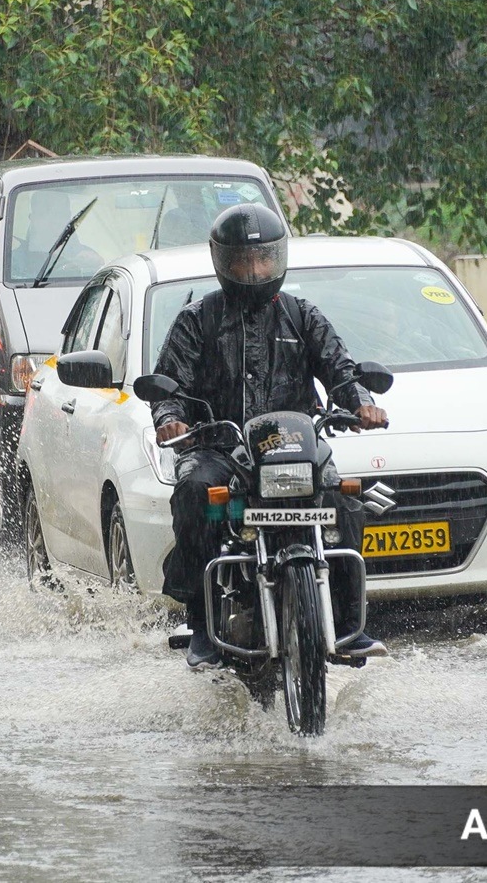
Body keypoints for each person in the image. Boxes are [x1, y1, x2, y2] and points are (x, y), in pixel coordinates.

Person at [149, 203, 390, 669]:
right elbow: (169, 385)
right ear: (223, 262)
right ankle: (202, 623)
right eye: (244, 260)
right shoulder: (196, 321)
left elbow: (340, 371)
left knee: (344, 501)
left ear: (279, 260)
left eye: (264, 259)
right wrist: (171, 418)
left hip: (296, 448)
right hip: (219, 448)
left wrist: (360, 404)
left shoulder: (303, 317)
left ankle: (346, 622)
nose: (255, 270)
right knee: (196, 494)